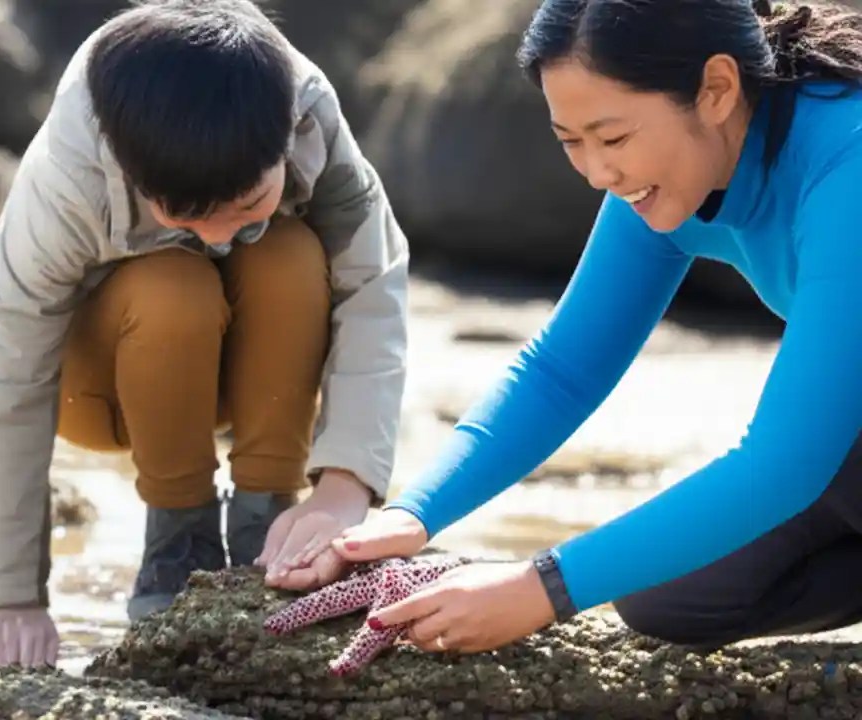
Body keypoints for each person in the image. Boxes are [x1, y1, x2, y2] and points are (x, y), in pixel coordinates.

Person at [318, 0, 862, 654]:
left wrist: (539, 587)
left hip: (821, 459)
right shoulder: (672, 174)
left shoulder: (846, 160)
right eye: (570, 142)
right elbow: (562, 370)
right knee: (666, 594)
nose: (599, 174)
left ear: (716, 89)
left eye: (613, 138)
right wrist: (414, 513)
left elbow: (783, 464)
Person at [0, 0, 409, 668]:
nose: (223, 235)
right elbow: (0, 379)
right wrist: (12, 595)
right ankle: (178, 536)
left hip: (255, 368)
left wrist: (345, 487)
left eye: (246, 204)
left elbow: (374, 283)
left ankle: (267, 522)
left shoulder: (306, 112)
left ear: (284, 136)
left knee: (288, 254)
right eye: (188, 214)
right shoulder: (68, 177)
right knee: (174, 282)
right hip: (106, 389)